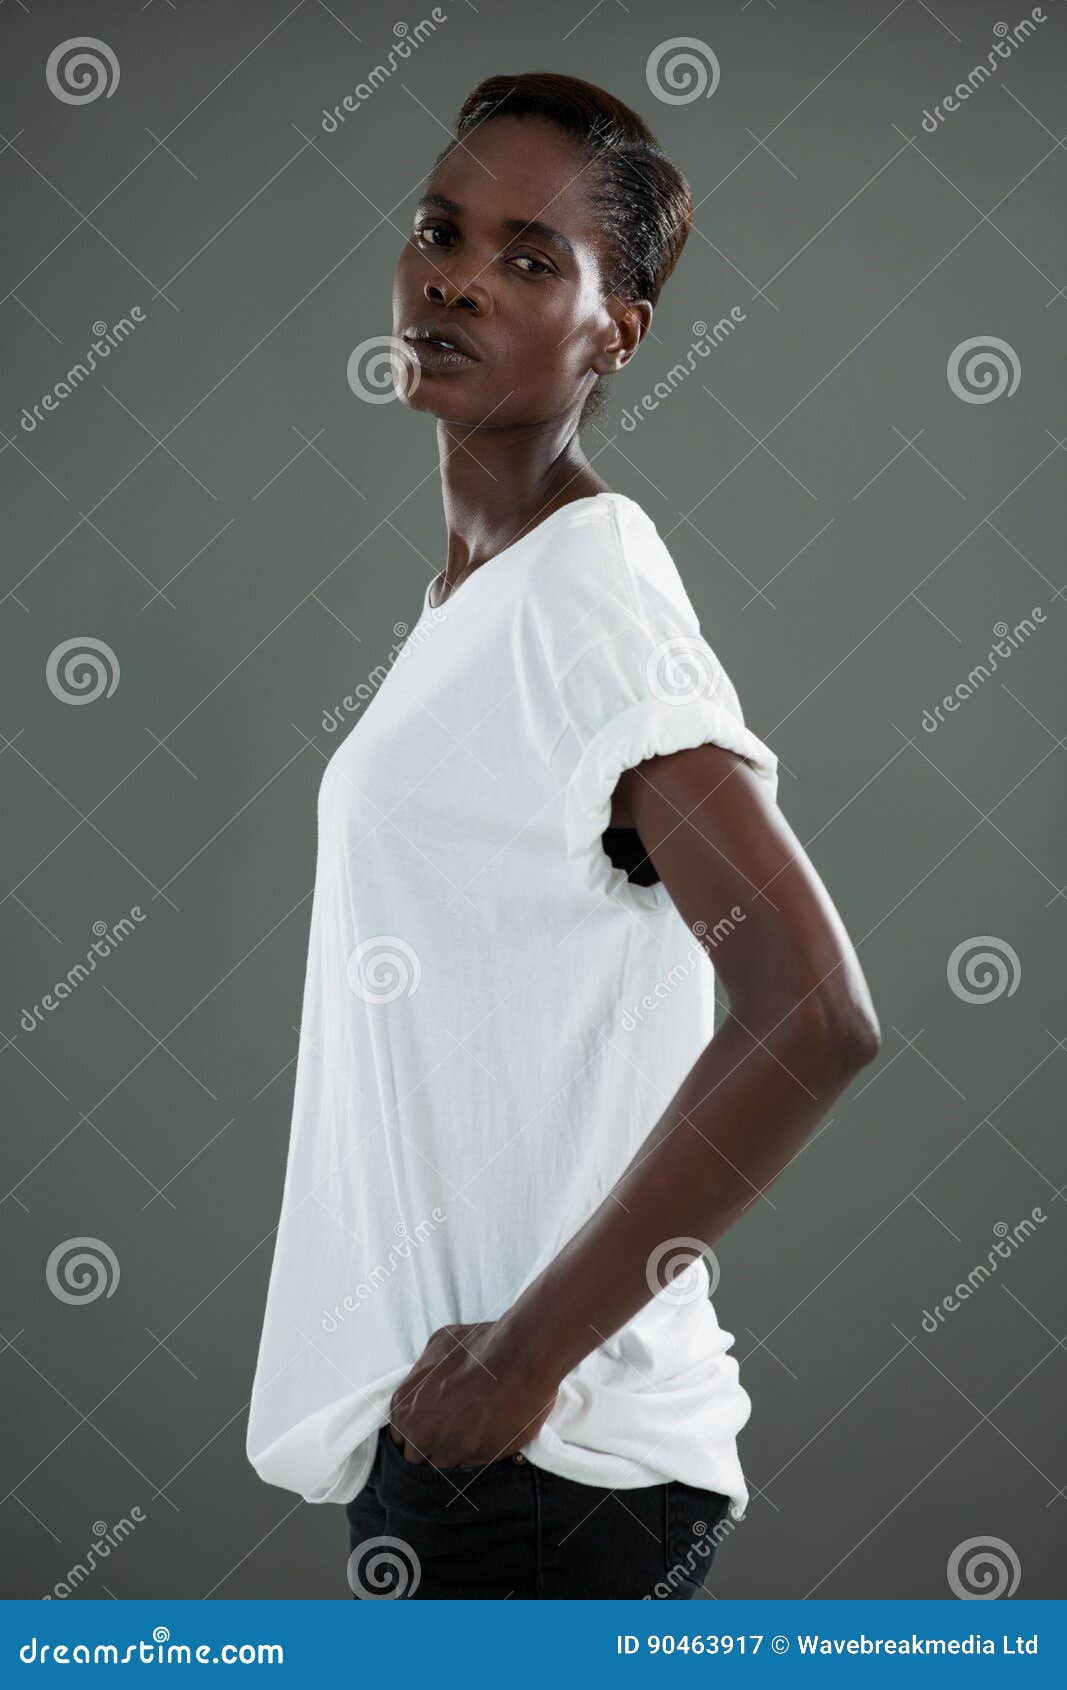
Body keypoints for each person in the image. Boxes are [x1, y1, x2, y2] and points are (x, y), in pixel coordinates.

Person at [246, 72, 880, 1601]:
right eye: (440, 232)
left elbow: (813, 1011)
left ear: (617, 332)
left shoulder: (589, 595)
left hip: (547, 1468)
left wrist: (525, 1358)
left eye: (531, 259)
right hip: (465, 1454)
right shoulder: (483, 597)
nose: (457, 278)